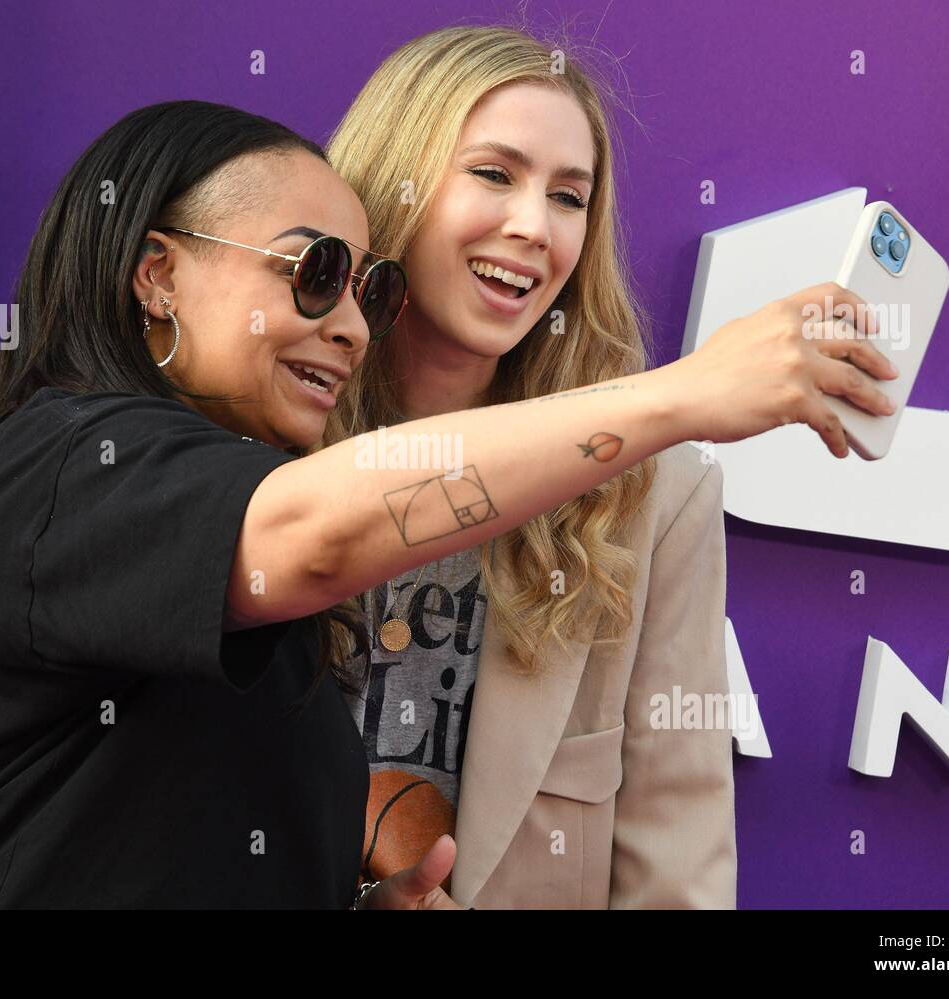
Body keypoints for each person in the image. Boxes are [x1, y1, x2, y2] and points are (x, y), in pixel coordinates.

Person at [0, 92, 892, 909]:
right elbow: (317, 535)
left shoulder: (183, 506)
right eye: (312, 270)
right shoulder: (81, 457)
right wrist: (683, 395)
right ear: (155, 276)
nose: (352, 323)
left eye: (369, 288)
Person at [323, 25, 900, 907]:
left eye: (569, 196)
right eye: (492, 174)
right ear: (389, 178)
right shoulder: (256, 428)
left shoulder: (653, 495)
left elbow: (678, 859)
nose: (532, 227)